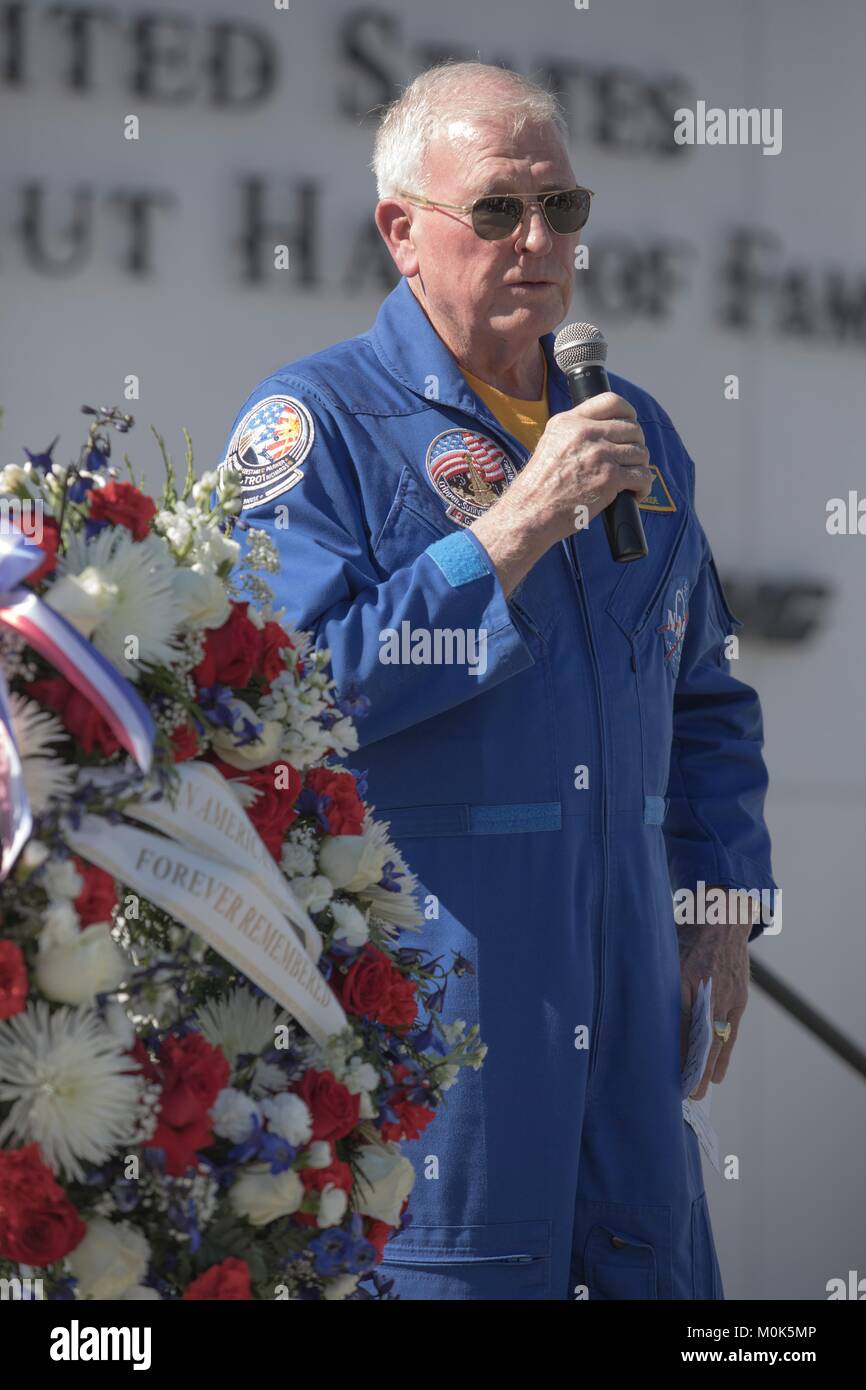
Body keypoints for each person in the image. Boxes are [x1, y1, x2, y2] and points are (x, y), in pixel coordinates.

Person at [217, 60, 777, 1301]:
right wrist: (508, 534)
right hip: (440, 1021)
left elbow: (705, 695)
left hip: (628, 1018)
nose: (539, 242)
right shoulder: (313, 428)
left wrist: (724, 899)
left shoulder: (631, 428)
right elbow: (284, 701)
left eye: (562, 209)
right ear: (399, 231)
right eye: (497, 211)